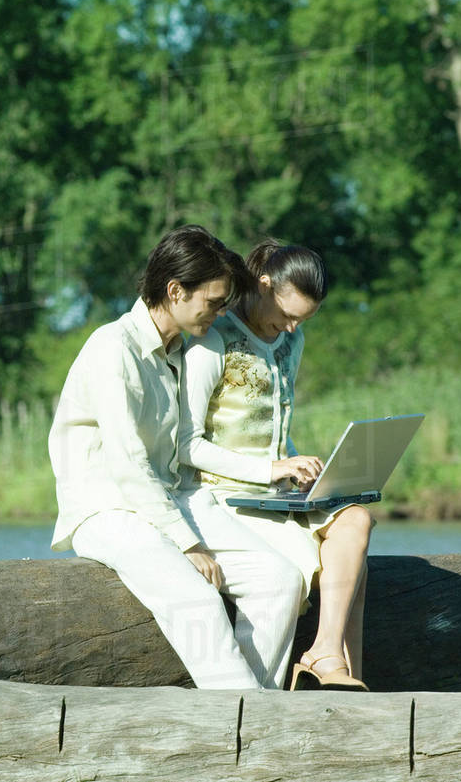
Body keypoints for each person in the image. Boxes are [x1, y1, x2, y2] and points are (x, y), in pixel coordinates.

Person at [48, 224, 306, 690]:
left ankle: (250, 711)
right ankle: (245, 728)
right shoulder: (112, 348)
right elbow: (128, 465)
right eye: (213, 302)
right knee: (201, 602)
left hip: (170, 500)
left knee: (282, 581)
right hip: (108, 509)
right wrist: (188, 543)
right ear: (174, 290)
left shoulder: (179, 351)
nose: (222, 312)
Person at [179, 238, 374, 691]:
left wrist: (301, 468)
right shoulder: (213, 339)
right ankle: (332, 671)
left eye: (302, 320)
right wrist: (271, 469)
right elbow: (186, 446)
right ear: (263, 284)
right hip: (223, 496)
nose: (291, 329)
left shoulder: (293, 341)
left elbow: (275, 427)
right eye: (287, 315)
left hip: (276, 493)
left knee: (356, 520)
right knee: (328, 565)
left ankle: (326, 653)